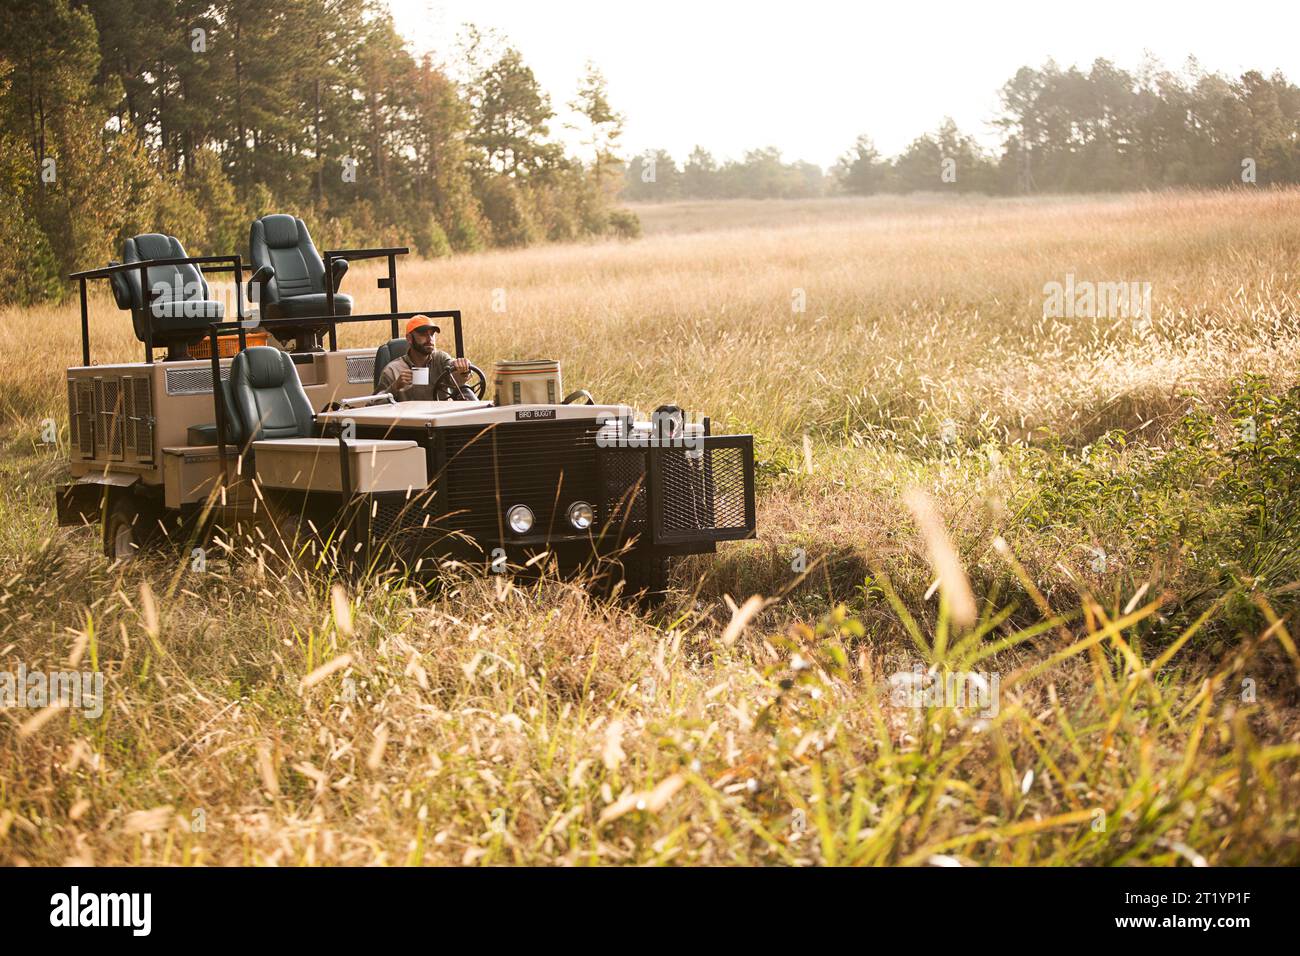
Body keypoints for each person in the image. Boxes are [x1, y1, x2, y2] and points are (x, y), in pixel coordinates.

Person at [378, 316, 471, 401]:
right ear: (409, 338)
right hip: (410, 418)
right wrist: (395, 387)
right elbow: (374, 405)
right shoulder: (392, 370)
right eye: (423, 334)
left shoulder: (440, 359)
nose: (430, 339)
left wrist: (463, 369)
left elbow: (454, 372)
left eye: (432, 334)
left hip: (440, 417)